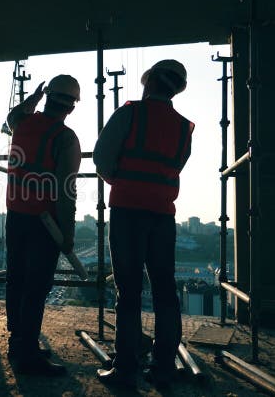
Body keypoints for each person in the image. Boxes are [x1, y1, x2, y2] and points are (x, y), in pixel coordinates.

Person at [93, 59, 194, 389]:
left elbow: (102, 159)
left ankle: (125, 368)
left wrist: (119, 181)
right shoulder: (183, 127)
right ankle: (162, 366)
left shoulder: (130, 113)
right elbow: (176, 165)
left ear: (149, 83)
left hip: (127, 211)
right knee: (165, 291)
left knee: (129, 291)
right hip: (163, 215)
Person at [4, 74, 82, 376]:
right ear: (72, 107)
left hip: (16, 216)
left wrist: (32, 98)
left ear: (47, 97)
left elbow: (14, 114)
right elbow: (65, 193)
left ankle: (18, 342)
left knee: (17, 281)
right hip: (44, 224)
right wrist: (68, 234)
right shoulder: (65, 138)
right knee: (35, 288)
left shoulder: (22, 125)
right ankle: (27, 355)